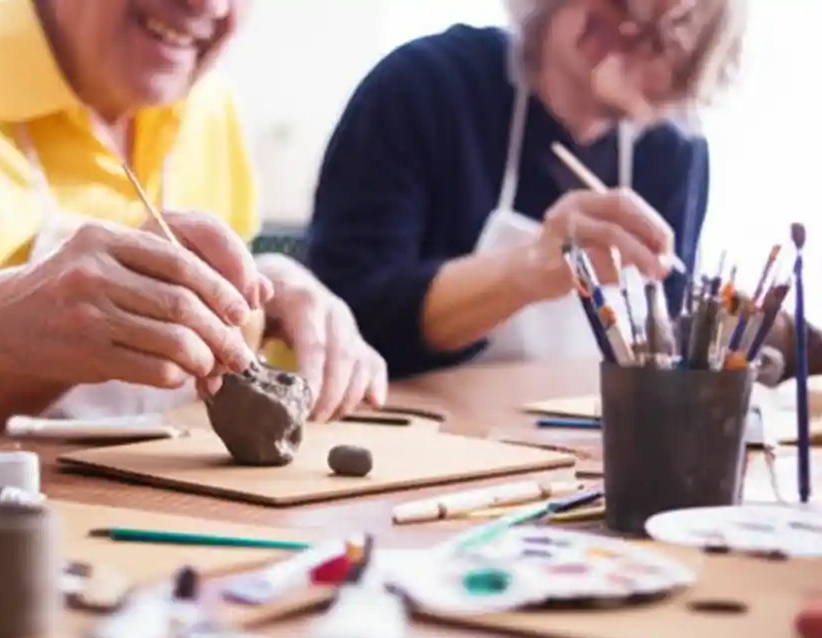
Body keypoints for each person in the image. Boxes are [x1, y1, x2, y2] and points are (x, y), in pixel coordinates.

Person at [0, 0, 388, 425]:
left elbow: (217, 358)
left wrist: (268, 294)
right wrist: (29, 327)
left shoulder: (209, 107)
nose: (210, 5)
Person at [306, 0, 747, 379]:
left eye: (662, 35)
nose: (624, 34)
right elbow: (344, 319)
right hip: (415, 440)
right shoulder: (421, 87)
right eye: (621, 12)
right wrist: (526, 271)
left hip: (588, 451)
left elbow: (664, 344)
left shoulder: (673, 148)